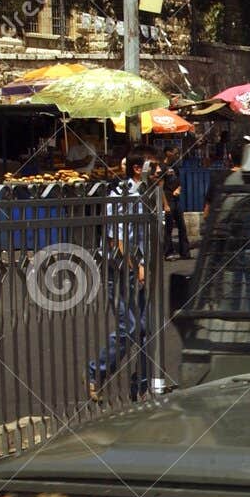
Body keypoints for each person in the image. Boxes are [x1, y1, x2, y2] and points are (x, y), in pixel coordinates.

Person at [87, 159, 151, 401]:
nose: (159, 171)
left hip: (137, 268)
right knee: (131, 327)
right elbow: (116, 241)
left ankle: (143, 385)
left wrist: (142, 264)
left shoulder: (145, 195)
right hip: (118, 269)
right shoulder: (118, 196)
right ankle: (96, 371)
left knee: (145, 327)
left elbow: (144, 234)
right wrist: (138, 266)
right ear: (138, 169)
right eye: (154, 166)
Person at [161, 148, 190, 259]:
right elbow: (161, 187)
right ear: (168, 153)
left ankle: (185, 252)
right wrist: (165, 204)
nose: (177, 155)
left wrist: (179, 189)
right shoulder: (162, 167)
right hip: (168, 199)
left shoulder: (175, 167)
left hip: (176, 200)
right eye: (175, 153)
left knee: (182, 226)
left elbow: (180, 182)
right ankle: (168, 252)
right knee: (168, 227)